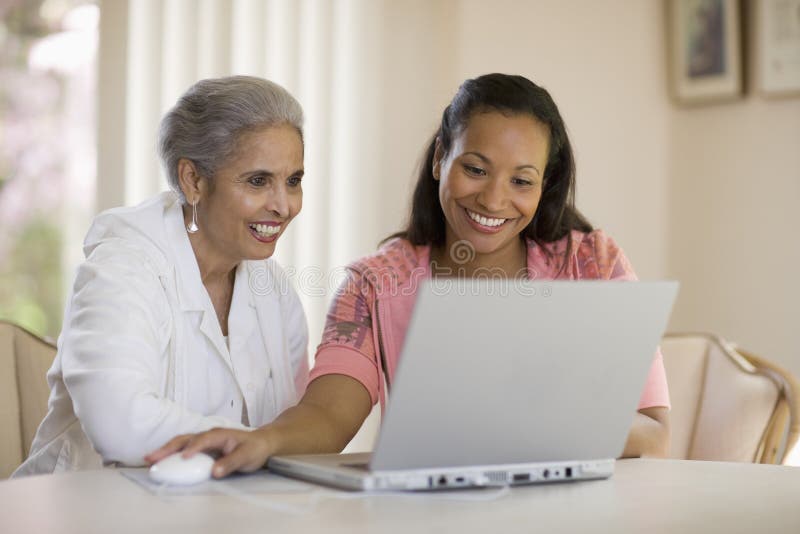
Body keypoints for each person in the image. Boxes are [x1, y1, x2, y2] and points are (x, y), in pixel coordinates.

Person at [148, 73, 670, 478]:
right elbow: (328, 414)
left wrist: (536, 423)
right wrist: (261, 441)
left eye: (522, 180)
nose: (493, 199)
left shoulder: (593, 263)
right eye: (476, 168)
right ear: (441, 158)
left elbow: (652, 433)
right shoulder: (375, 284)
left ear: (545, 184)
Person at [13, 76, 309, 476]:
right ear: (193, 181)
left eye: (293, 181)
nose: (283, 205)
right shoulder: (122, 268)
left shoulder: (273, 290)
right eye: (258, 181)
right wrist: (258, 442)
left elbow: (289, 436)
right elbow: (119, 422)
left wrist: (272, 443)